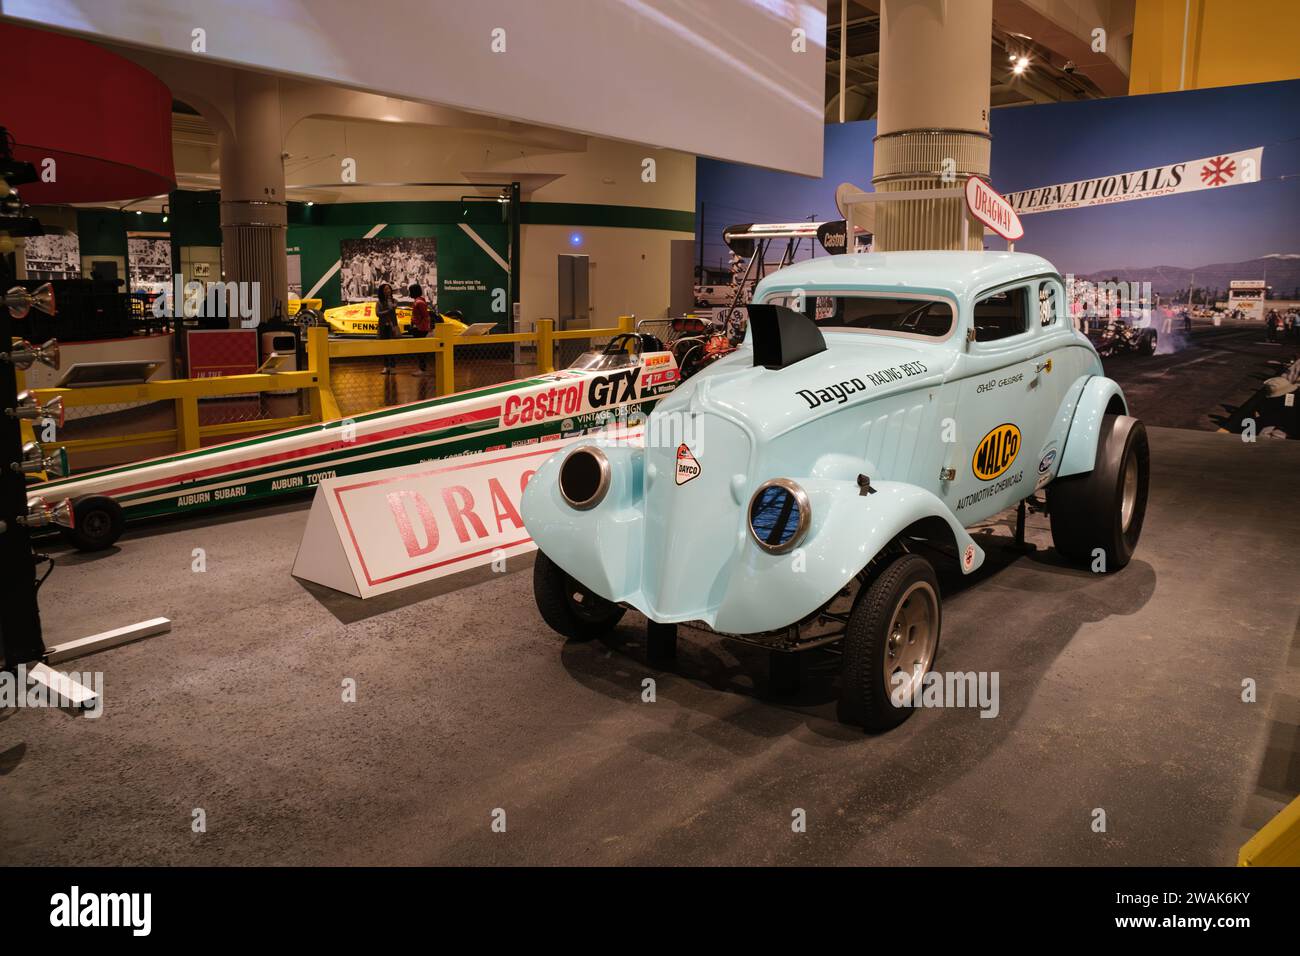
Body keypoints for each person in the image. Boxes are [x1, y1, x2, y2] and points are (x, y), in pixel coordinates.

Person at [375, 282, 398, 373]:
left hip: (392, 325)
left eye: (389, 289)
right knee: (384, 346)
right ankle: (385, 366)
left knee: (393, 346)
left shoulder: (394, 300)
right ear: (382, 291)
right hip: (383, 325)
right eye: (386, 289)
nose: (388, 290)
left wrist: (389, 301)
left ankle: (392, 367)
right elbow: (378, 314)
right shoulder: (379, 302)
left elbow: (392, 308)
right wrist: (388, 311)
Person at [408, 283, 431, 374]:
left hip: (420, 330)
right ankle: (422, 368)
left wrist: (419, 326)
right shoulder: (419, 301)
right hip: (419, 329)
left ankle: (422, 369)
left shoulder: (419, 302)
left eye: (410, 291)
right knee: (420, 350)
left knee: (420, 350)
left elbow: (425, 316)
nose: (409, 293)